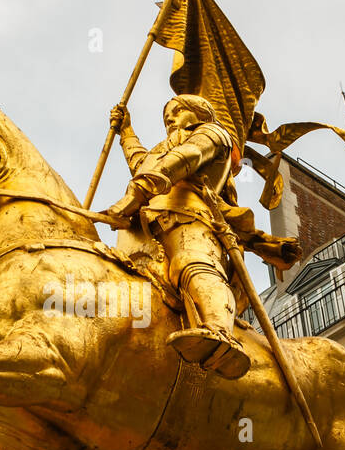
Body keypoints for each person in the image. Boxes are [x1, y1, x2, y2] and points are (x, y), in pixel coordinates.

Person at [103, 95, 299, 380]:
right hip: (143, 228)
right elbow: (143, 163)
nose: (169, 118)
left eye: (176, 110)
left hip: (189, 219)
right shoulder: (165, 147)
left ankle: (220, 334)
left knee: (190, 264)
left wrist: (139, 191)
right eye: (166, 115)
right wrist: (126, 132)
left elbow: (185, 159)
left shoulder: (212, 134)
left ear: (199, 112)